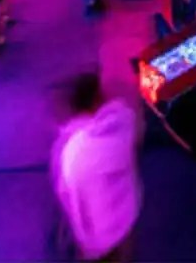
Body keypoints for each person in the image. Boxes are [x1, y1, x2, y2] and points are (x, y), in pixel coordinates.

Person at [52, 73, 142, 262]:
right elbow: (132, 126)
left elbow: (66, 193)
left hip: (91, 233)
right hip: (118, 224)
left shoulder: (69, 149)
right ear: (97, 100)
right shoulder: (118, 128)